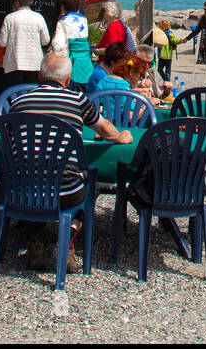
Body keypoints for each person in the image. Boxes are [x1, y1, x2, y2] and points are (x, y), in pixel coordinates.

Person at [7, 54, 132, 272]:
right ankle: (67, 240)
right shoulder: (77, 101)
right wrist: (120, 137)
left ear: (39, 75)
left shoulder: (18, 102)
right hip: (63, 192)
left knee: (38, 177)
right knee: (89, 187)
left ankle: (36, 239)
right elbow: (104, 129)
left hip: (21, 189)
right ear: (67, 79)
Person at [0, 0, 50, 91]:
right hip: (34, 64)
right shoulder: (38, 17)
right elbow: (45, 41)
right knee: (32, 95)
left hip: (14, 63)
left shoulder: (9, 18)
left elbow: (2, 43)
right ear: (30, 1)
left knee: (14, 95)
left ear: (17, 2)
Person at [50, 0, 93, 91]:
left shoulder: (63, 22)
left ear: (63, 6)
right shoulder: (83, 19)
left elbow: (58, 46)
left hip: (72, 64)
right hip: (86, 63)